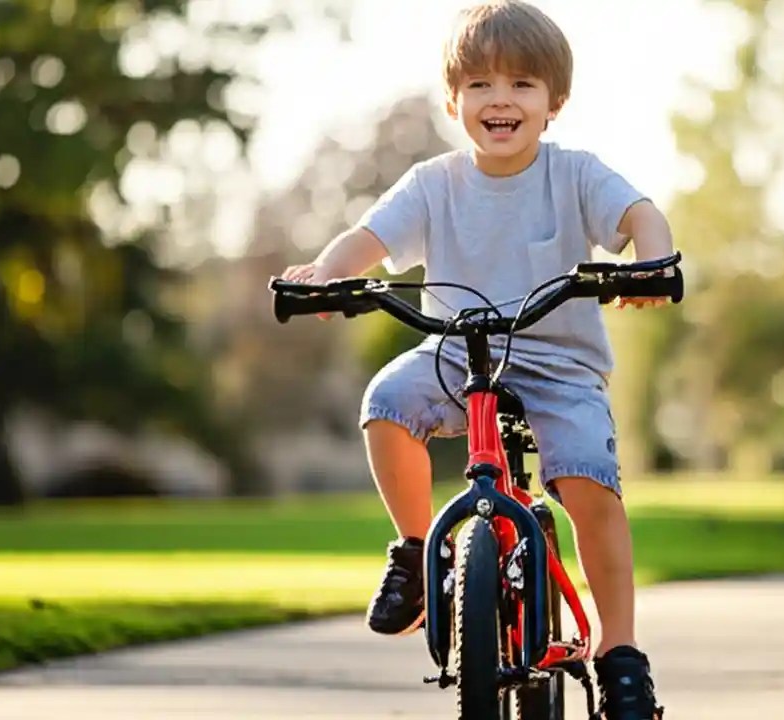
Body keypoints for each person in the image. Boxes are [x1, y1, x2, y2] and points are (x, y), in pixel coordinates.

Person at [279, 2, 672, 717]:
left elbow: (642, 214)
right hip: (457, 355)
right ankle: (415, 551)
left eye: (523, 84)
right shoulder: (435, 183)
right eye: (482, 85)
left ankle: (621, 654)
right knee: (386, 406)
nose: (501, 100)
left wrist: (652, 263)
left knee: (590, 485)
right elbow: (369, 237)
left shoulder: (576, 175)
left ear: (555, 103)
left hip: (560, 367)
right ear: (454, 100)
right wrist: (331, 275)